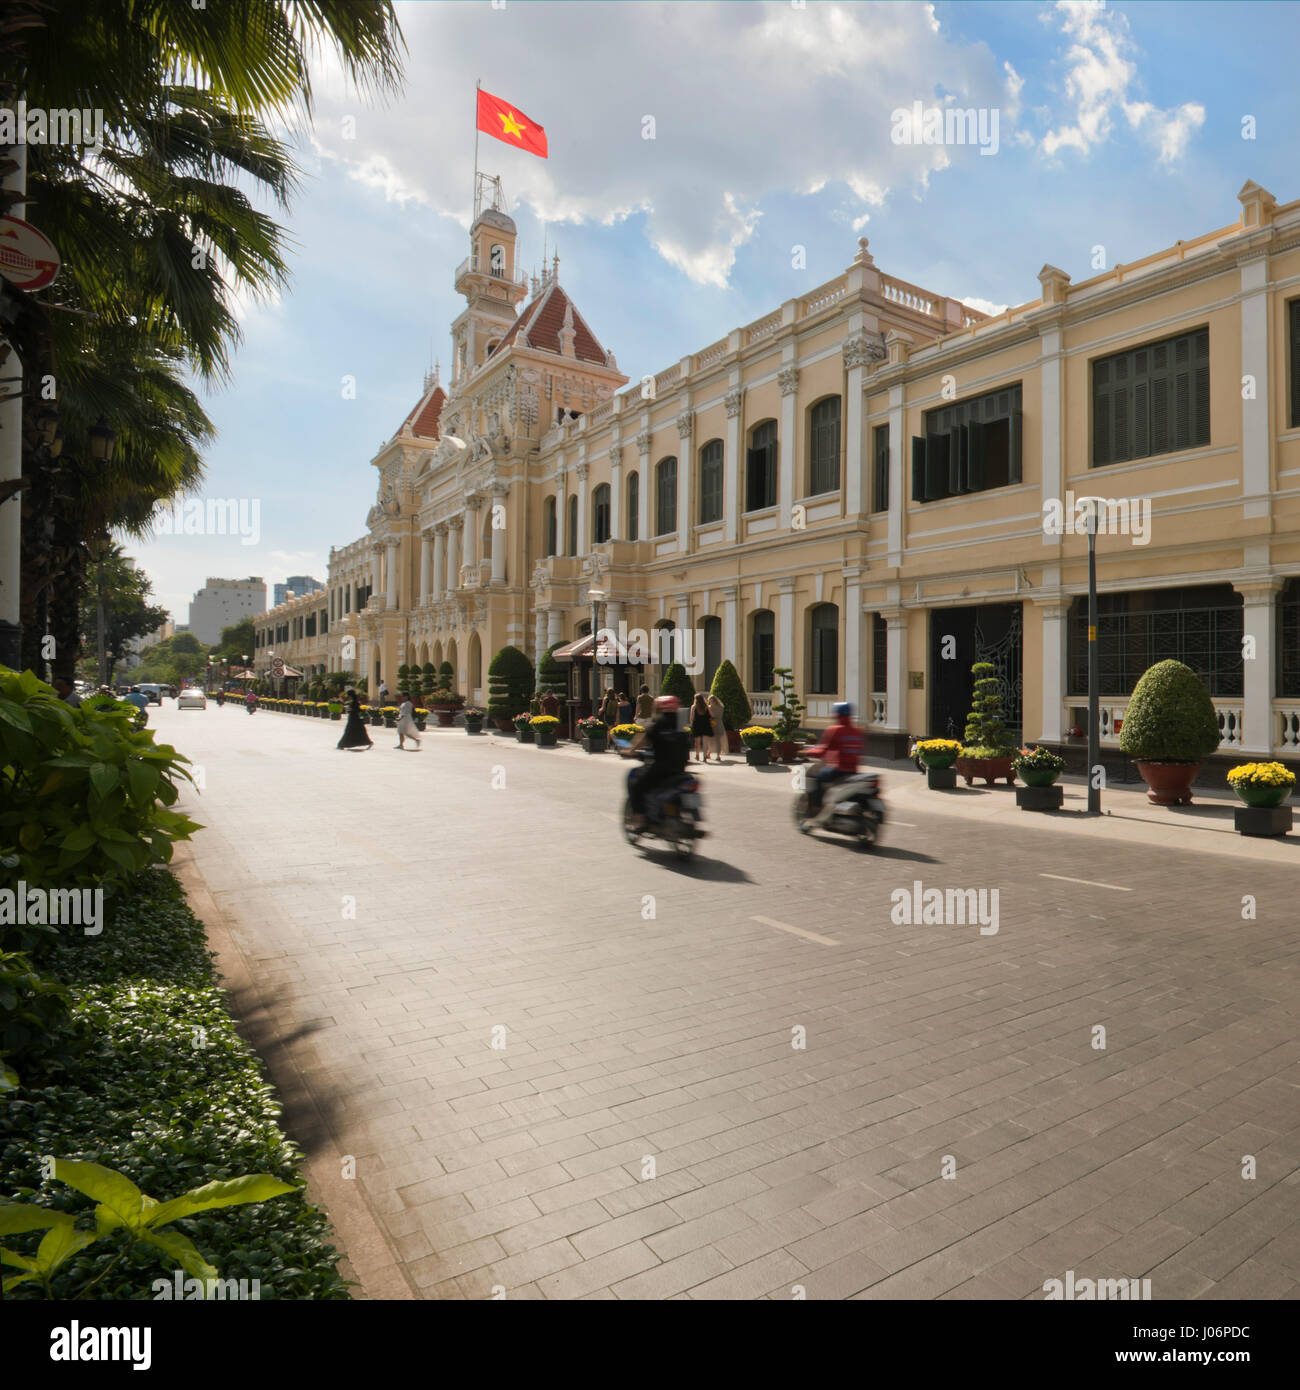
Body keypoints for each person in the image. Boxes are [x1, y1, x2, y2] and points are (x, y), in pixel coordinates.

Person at [623, 695, 689, 830]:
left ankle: (640, 819)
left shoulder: (660, 723)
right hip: (680, 770)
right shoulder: (681, 724)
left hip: (661, 769)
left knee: (637, 786)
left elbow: (644, 739)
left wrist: (631, 750)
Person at [803, 702, 866, 820]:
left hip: (839, 770)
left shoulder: (835, 730)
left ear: (837, 715)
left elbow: (823, 751)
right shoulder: (858, 731)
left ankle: (816, 808)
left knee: (817, 778)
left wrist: (807, 752)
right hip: (853, 771)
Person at [689, 691, 713, 763]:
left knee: (697, 742)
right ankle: (705, 756)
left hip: (697, 725)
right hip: (706, 725)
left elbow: (692, 718)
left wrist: (692, 724)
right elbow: (711, 715)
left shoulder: (693, 707)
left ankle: (697, 755)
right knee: (705, 742)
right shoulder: (707, 707)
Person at [707, 690, 727, 761]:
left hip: (712, 723)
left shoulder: (709, 707)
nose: (710, 702)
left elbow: (709, 716)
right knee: (718, 740)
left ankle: (709, 753)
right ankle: (717, 755)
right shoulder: (721, 707)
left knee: (711, 740)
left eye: (710, 701)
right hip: (719, 723)